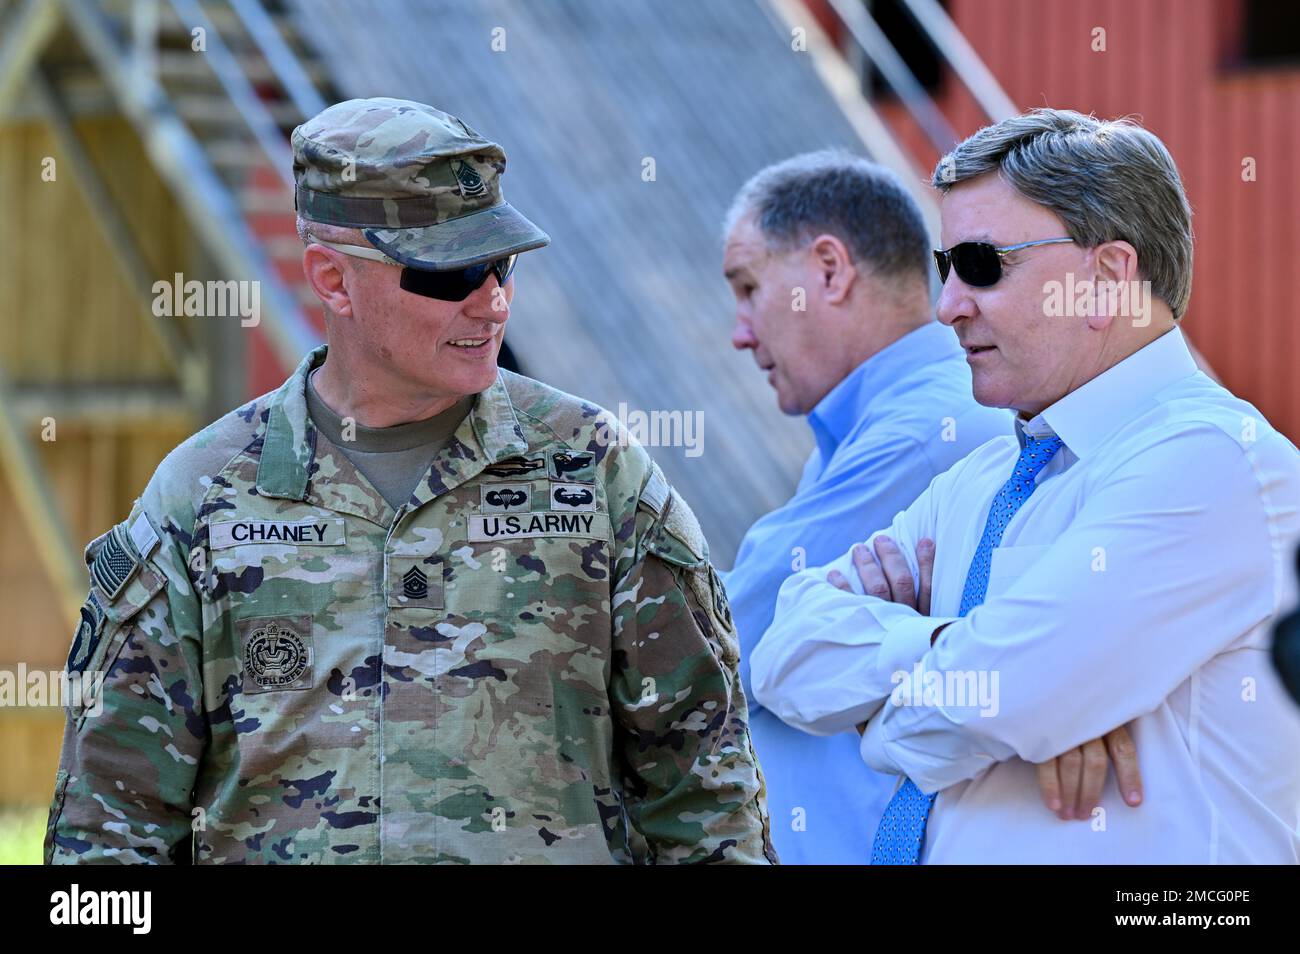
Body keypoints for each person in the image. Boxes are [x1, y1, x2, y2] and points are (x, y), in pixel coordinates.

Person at [45, 97, 776, 865]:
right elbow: (107, 833)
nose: (491, 300)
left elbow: (705, 794)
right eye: (450, 271)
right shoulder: (201, 498)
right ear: (333, 278)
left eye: (502, 263)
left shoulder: (594, 472)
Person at [753, 108, 1300, 864]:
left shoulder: (1214, 460)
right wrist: (959, 654)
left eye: (981, 263)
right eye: (946, 267)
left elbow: (1007, 698)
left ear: (1108, 276)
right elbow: (783, 654)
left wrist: (888, 706)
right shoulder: (982, 477)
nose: (948, 306)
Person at [719, 151, 1008, 863]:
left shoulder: (918, 440)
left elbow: (709, 651)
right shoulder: (869, 431)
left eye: (750, 287)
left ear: (828, 269)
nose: (740, 331)